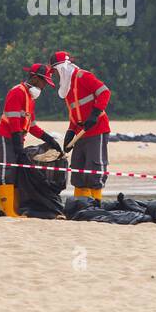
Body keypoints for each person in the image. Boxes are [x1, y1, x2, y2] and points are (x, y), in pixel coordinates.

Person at [0, 63, 62, 218]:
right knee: (7, 171)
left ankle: (15, 209)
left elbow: (31, 126)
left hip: (17, 138)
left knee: (17, 173)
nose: (44, 86)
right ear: (34, 78)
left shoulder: (30, 98)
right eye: (44, 81)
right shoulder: (17, 92)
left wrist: (48, 139)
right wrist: (18, 146)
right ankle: (6, 210)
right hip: (6, 138)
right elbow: (13, 121)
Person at [49, 50, 112, 202]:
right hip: (80, 134)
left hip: (97, 130)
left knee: (94, 172)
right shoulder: (67, 87)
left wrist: (95, 114)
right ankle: (80, 206)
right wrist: (70, 132)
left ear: (62, 68)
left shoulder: (84, 76)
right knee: (78, 171)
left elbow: (105, 92)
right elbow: (75, 113)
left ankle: (95, 207)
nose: (56, 75)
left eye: (56, 71)